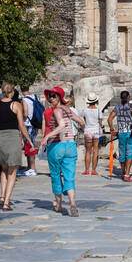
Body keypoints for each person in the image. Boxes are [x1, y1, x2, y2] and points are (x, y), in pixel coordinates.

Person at [37, 87, 84, 216]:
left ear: (59, 97)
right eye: (50, 96)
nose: (51, 98)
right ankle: (72, 203)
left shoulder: (56, 110)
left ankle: (58, 205)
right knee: (69, 176)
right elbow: (81, 121)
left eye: (54, 96)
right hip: (70, 145)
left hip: (57, 145)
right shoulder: (68, 109)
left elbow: (61, 126)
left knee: (56, 175)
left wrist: (47, 136)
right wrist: (81, 130)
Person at [0, 83, 31, 210]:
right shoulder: (16, 105)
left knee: (4, 168)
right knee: (12, 171)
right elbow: (21, 125)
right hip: (12, 137)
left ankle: (2, 195)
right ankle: (6, 202)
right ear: (12, 92)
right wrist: (28, 140)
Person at [108, 90, 132, 182]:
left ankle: (123, 173)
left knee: (122, 154)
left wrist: (112, 130)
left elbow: (110, 118)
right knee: (130, 153)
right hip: (131, 132)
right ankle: (127, 174)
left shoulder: (117, 107)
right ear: (128, 97)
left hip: (121, 133)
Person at [80, 92, 102, 176]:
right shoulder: (98, 110)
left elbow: (85, 120)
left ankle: (86, 170)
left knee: (88, 151)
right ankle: (93, 170)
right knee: (95, 150)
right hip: (96, 131)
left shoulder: (85, 110)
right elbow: (100, 121)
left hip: (88, 131)